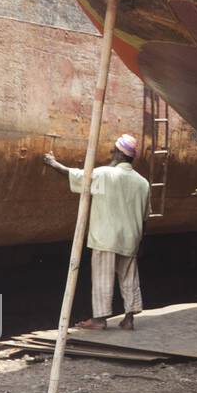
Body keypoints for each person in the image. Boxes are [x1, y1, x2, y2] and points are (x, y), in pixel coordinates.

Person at [44, 134, 151, 330]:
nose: (111, 153)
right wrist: (141, 242)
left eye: (113, 151)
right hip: (131, 238)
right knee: (129, 277)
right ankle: (129, 319)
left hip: (106, 237)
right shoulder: (143, 183)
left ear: (119, 154)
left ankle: (100, 320)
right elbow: (145, 217)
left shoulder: (105, 175)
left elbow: (78, 176)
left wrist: (53, 163)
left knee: (103, 277)